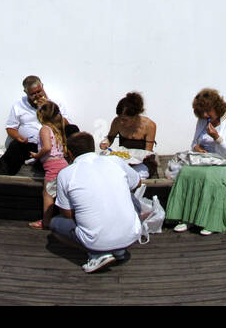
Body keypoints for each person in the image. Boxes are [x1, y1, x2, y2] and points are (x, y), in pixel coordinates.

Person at [49, 132, 142, 273]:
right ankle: (118, 250)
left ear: (69, 153)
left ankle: (97, 253)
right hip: (131, 235)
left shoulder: (66, 173)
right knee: (132, 198)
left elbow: (67, 213)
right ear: (92, 147)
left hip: (97, 241)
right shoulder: (114, 161)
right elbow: (137, 182)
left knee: (55, 224)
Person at [167, 88, 226, 235]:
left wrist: (217, 138)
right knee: (186, 172)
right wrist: (196, 147)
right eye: (202, 113)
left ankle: (211, 221)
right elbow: (194, 142)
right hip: (207, 159)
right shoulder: (202, 120)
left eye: (208, 111)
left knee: (212, 176)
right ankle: (187, 218)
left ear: (217, 107)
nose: (205, 115)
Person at [0, 75, 75, 174]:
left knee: (72, 129)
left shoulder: (55, 102)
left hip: (53, 145)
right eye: (33, 94)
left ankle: (73, 162)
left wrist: (48, 108)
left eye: (39, 91)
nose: (38, 95)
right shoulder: (18, 105)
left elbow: (66, 124)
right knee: (16, 146)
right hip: (32, 145)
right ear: (26, 93)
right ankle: (4, 168)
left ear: (42, 87)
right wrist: (18, 136)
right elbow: (10, 128)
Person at [28, 101, 70, 229]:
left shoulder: (44, 129)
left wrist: (36, 155)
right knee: (63, 192)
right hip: (63, 163)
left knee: (48, 194)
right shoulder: (58, 128)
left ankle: (46, 221)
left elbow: (46, 148)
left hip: (52, 166)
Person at [100, 91, 158, 178]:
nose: (121, 122)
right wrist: (106, 142)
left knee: (134, 177)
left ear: (135, 116)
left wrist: (132, 160)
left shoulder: (149, 126)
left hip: (142, 163)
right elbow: (110, 138)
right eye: (120, 118)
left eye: (125, 119)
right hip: (123, 161)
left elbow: (147, 152)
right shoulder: (117, 122)